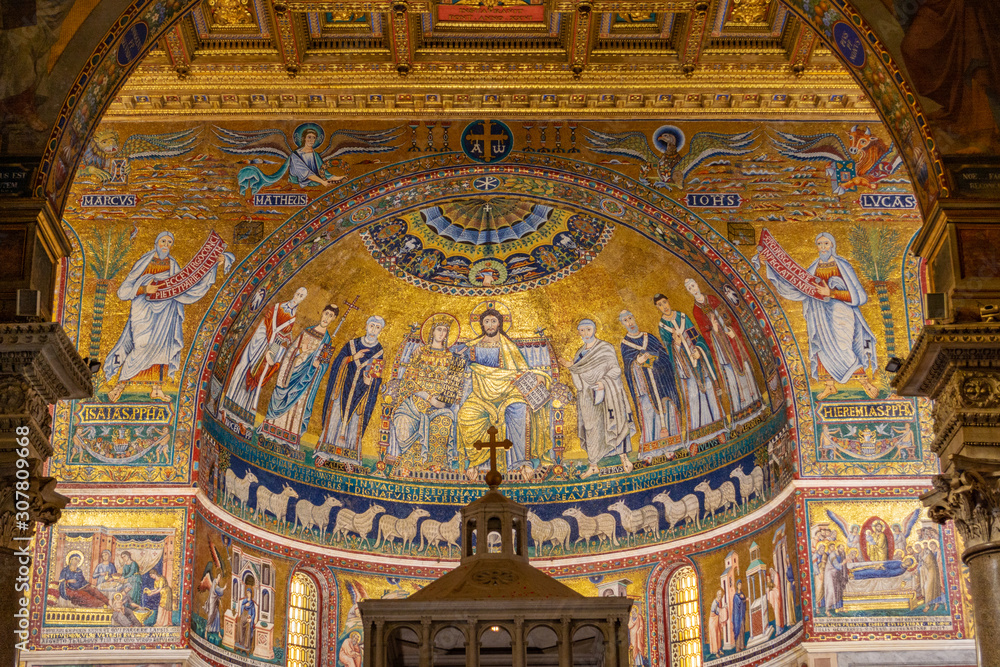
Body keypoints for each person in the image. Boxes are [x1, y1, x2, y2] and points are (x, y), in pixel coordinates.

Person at [105, 232, 234, 402]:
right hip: (143, 313)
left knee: (163, 348)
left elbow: (187, 286)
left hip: (167, 313)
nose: (166, 244)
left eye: (169, 242)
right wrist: (143, 289)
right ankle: (119, 386)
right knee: (141, 347)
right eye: (163, 241)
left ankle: (157, 389)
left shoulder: (173, 265)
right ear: (156, 243)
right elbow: (123, 291)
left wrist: (212, 265)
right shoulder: (144, 262)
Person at [758, 232, 878, 400]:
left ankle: (865, 382)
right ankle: (829, 386)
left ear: (832, 246)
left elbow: (860, 297)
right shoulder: (813, 268)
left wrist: (832, 292)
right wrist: (769, 264)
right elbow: (797, 286)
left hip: (841, 312)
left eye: (826, 243)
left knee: (844, 346)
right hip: (818, 315)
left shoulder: (842, 265)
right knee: (821, 347)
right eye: (819, 244)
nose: (822, 247)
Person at [457, 307, 552, 482]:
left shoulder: (508, 346)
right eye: (487, 321)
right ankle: (474, 461)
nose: (490, 325)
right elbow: (451, 357)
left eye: (494, 321)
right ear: (481, 324)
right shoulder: (472, 346)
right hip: (480, 395)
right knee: (465, 415)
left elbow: (522, 371)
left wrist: (539, 376)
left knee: (520, 409)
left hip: (508, 392)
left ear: (500, 323)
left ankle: (524, 462)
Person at [386, 314, 467, 472]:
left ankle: (435, 464)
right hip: (414, 404)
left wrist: (442, 402)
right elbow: (408, 381)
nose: (441, 334)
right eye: (439, 329)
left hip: (439, 407)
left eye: (445, 330)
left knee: (444, 421)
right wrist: (428, 397)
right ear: (432, 332)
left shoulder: (452, 358)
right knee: (402, 419)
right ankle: (410, 464)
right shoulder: (419, 353)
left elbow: (455, 389)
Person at [561, 318, 635, 478]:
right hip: (588, 397)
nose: (585, 333)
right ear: (578, 332)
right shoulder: (579, 354)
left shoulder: (605, 348)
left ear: (594, 330)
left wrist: (603, 382)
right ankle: (593, 465)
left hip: (609, 393)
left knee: (615, 423)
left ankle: (624, 458)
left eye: (588, 329)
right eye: (582, 330)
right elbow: (579, 382)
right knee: (591, 428)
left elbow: (615, 369)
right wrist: (571, 367)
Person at [222, 287, 307, 422]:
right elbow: (264, 324)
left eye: (302, 296)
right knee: (244, 367)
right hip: (259, 343)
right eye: (298, 293)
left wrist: (273, 352)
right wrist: (266, 342)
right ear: (294, 293)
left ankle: (243, 416)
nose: (298, 297)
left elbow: (284, 338)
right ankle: (227, 406)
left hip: (270, 350)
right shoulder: (277, 307)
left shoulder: (293, 317)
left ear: (303, 299)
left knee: (257, 380)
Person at [260, 304, 339, 448]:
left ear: (334, 319)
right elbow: (291, 350)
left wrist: (318, 365)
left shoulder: (327, 342)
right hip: (291, 373)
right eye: (326, 313)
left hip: (305, 381)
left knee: (297, 407)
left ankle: (289, 441)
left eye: (331, 316)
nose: (327, 318)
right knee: (281, 394)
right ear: (322, 313)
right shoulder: (306, 332)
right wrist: (300, 351)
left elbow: (324, 365)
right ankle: (269, 431)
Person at [684, 278, 761, 416]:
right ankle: (739, 409)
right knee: (730, 374)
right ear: (689, 292)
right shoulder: (696, 310)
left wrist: (732, 330)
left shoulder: (712, 299)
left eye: (693, 285)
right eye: (689, 288)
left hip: (731, 339)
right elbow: (704, 332)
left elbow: (728, 316)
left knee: (744, 365)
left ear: (697, 284)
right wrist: (713, 329)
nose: (693, 289)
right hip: (720, 347)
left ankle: (755, 400)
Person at [317, 316, 386, 464]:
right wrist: (352, 357)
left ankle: (349, 459)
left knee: (355, 423)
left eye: (377, 327)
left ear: (380, 331)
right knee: (335, 417)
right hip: (343, 388)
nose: (373, 330)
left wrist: (370, 380)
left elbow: (376, 377)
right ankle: (324, 453)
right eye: (372, 326)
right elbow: (336, 364)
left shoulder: (379, 352)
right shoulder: (351, 345)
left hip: (361, 394)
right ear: (366, 326)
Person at [654, 294, 723, 438]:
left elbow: (696, 336)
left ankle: (719, 428)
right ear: (657, 308)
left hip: (698, 362)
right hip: (684, 367)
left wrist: (698, 350)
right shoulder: (663, 327)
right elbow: (668, 349)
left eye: (665, 302)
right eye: (660, 305)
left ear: (669, 301)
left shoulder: (683, 317)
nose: (664, 306)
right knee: (693, 395)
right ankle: (698, 435)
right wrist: (677, 345)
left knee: (708, 389)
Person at [618, 310, 681, 451]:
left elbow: (664, 356)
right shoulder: (626, 344)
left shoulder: (649, 337)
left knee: (668, 410)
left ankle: (674, 446)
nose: (630, 322)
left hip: (661, 383)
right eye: (625, 320)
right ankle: (652, 450)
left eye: (630, 318)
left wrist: (655, 359)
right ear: (622, 324)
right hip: (645, 390)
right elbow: (628, 369)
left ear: (635, 318)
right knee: (649, 415)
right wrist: (636, 363)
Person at [920, 540, 944, 612]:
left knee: (930, 587)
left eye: (932, 545)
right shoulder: (929, 553)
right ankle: (929, 604)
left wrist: (923, 562)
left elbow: (929, 562)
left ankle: (934, 604)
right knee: (928, 587)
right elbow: (925, 563)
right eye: (930, 546)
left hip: (933, 572)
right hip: (929, 572)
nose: (931, 547)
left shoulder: (930, 554)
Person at [823, 545, 847, 614]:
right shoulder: (832, 555)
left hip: (836, 574)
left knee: (838, 590)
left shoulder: (840, 554)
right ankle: (827, 610)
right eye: (841, 548)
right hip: (830, 575)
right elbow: (836, 565)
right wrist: (843, 563)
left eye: (843, 549)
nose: (842, 550)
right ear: (838, 548)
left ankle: (840, 607)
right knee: (831, 591)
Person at [204, 571, 227, 637]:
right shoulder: (214, 582)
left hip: (216, 603)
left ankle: (219, 633)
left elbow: (217, 594)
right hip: (212, 603)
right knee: (211, 616)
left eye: (220, 577)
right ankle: (206, 631)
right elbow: (217, 591)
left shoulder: (217, 583)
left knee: (217, 615)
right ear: (217, 576)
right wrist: (224, 588)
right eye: (219, 576)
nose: (219, 578)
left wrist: (219, 600)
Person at [235, 587, 257, 655]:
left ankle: (246, 644)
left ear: (251, 594)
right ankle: (240, 641)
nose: (248, 594)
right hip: (243, 616)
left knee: (248, 625)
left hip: (248, 616)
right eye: (247, 593)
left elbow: (254, 613)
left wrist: (251, 619)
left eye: (249, 593)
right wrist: (244, 605)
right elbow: (241, 608)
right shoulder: (244, 601)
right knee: (239, 623)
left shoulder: (252, 603)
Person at [708, 589, 726, 658]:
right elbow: (715, 612)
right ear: (716, 594)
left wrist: (723, 609)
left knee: (718, 634)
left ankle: (719, 649)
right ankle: (716, 652)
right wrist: (723, 610)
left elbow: (720, 610)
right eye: (719, 594)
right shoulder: (714, 602)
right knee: (714, 636)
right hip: (713, 621)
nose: (720, 595)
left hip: (717, 620)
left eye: (721, 594)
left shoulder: (720, 601)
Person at [731, 579, 747, 651]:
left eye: (741, 584)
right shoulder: (736, 596)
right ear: (737, 586)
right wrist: (745, 600)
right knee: (738, 630)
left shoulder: (742, 594)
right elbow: (738, 604)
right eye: (739, 584)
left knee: (742, 629)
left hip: (742, 614)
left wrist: (744, 600)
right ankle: (738, 647)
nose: (740, 585)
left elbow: (743, 603)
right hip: (737, 616)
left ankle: (742, 645)